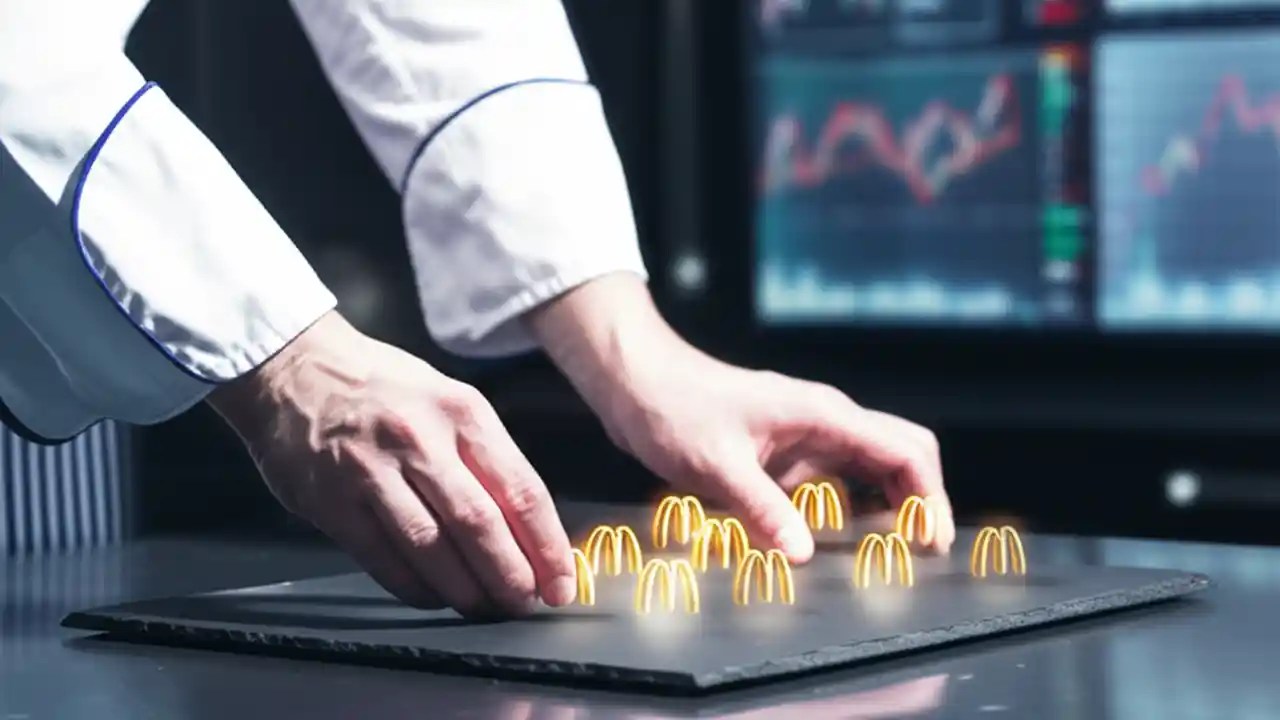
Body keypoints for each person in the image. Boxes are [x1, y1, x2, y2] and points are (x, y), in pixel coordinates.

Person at [0, 0, 954, 616]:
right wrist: (289, 364)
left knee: (51, 637)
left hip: (75, 316)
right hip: (81, 276)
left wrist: (630, 348)